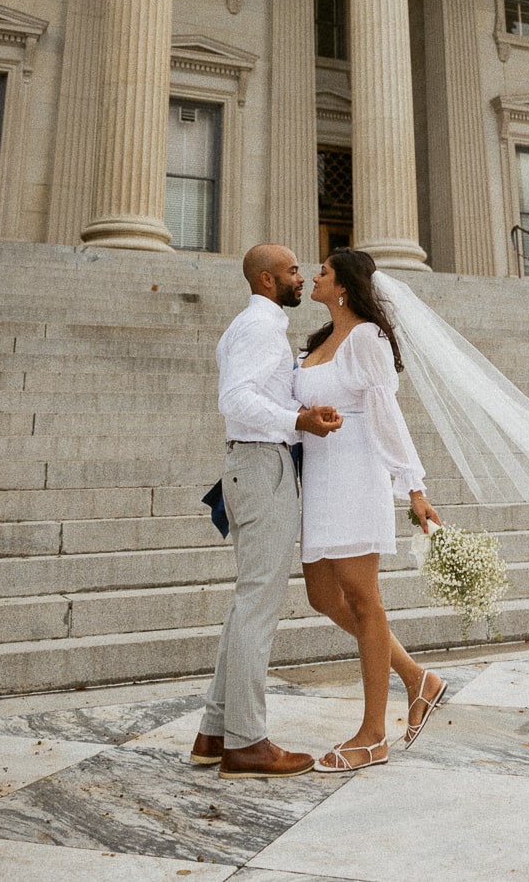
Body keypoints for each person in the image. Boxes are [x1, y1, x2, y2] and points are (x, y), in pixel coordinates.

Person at [191, 243, 343, 779]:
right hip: (261, 465)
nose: (301, 278)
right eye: (292, 271)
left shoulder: (254, 325)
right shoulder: (259, 327)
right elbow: (234, 399)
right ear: (266, 280)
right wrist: (297, 421)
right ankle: (248, 743)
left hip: (253, 464)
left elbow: (254, 395)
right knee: (258, 605)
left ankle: (215, 732)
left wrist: (297, 412)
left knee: (247, 605)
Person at [295, 247, 448, 773]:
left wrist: (414, 488)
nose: (314, 276)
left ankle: (373, 735)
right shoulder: (319, 340)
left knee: (364, 600)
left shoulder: (366, 338)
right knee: (321, 596)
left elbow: (386, 415)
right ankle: (418, 678)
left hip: (356, 476)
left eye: (323, 271)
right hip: (320, 478)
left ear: (343, 286)